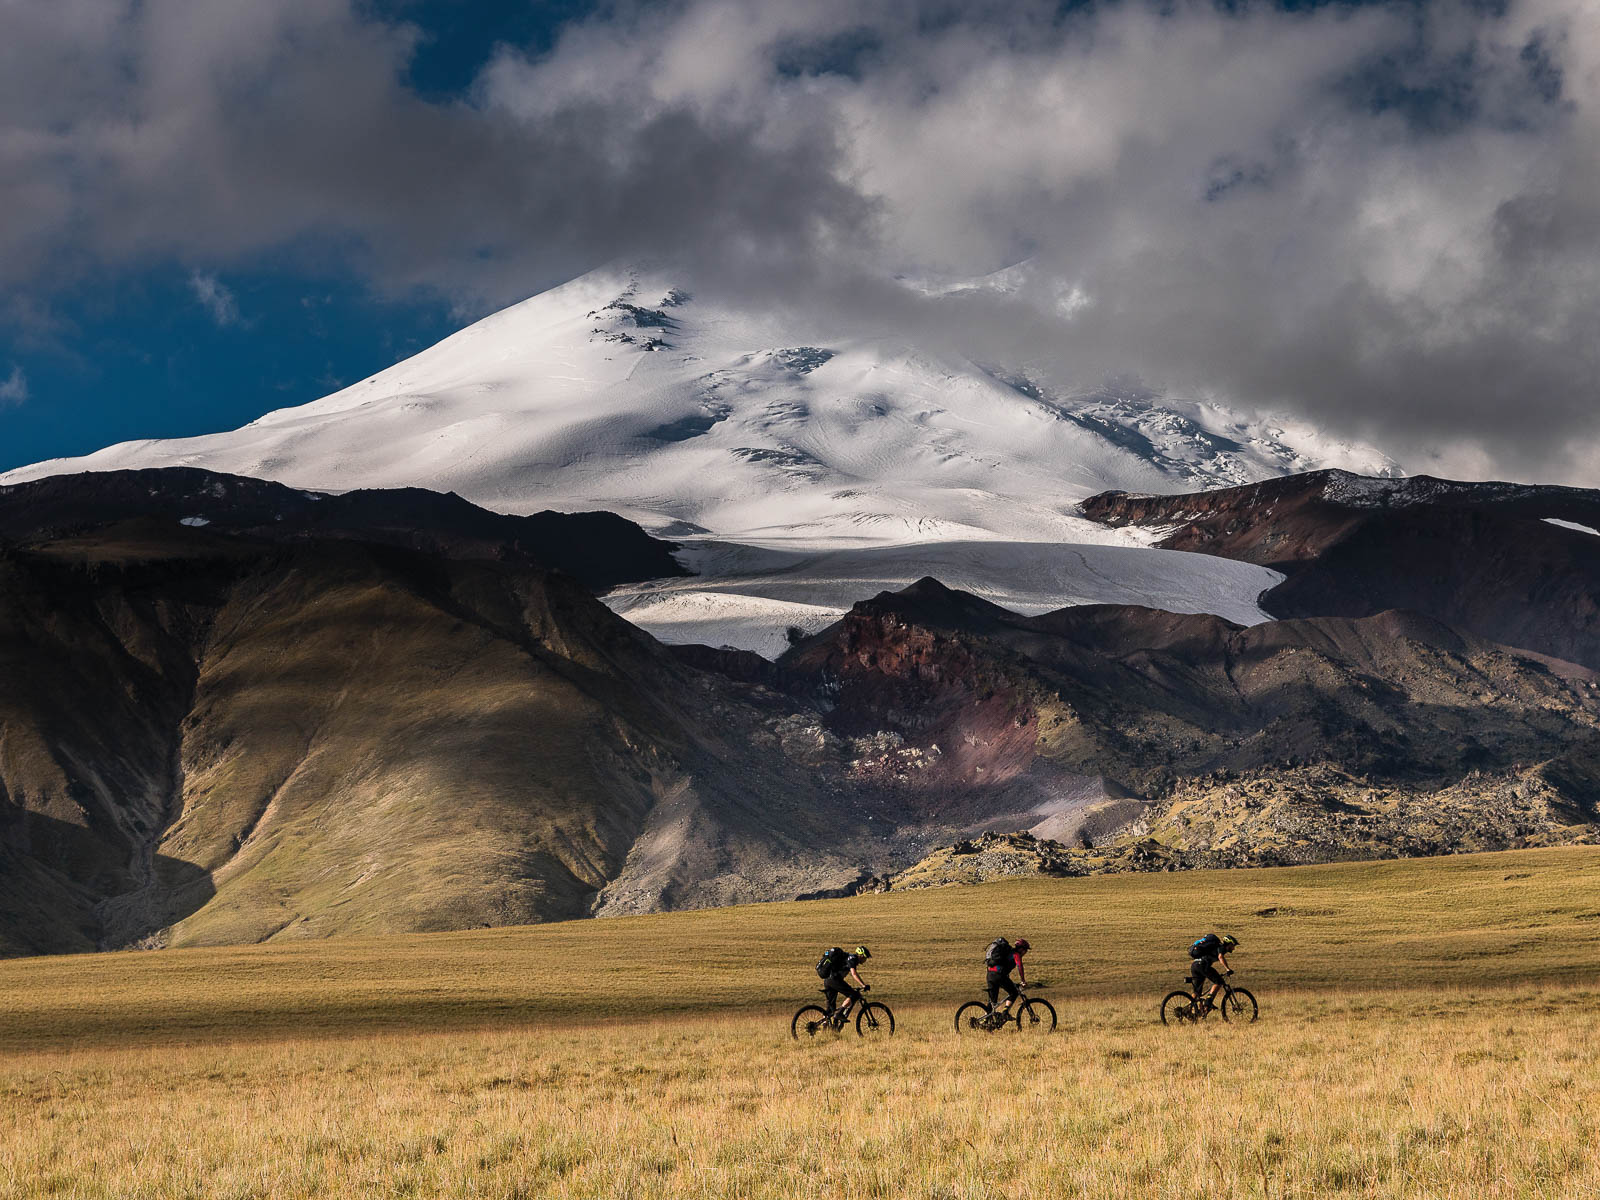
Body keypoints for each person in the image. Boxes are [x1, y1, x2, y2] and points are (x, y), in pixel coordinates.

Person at [816, 945, 871, 1022]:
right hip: (834, 980)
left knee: (830, 1010)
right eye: (865, 957)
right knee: (854, 995)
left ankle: (827, 1029)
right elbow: (854, 973)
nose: (865, 960)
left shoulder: (847, 958)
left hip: (828, 980)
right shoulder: (853, 959)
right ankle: (840, 1013)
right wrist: (863, 985)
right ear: (861, 955)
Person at [1188, 933, 1238, 1010]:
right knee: (1219, 982)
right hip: (1202, 965)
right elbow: (1220, 957)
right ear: (1229, 944)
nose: (1234, 948)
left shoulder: (1213, 948)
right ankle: (1208, 1003)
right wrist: (1228, 969)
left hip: (1195, 965)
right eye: (1233, 945)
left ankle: (1187, 1010)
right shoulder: (1221, 947)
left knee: (1197, 992)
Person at [985, 936, 1030, 1018]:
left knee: (992, 1001)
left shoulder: (1007, 953)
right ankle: (1005, 1012)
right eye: (1025, 950)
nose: (1025, 952)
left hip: (990, 974)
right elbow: (1020, 966)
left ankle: (985, 1021)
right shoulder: (1016, 955)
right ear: (1021, 949)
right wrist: (1023, 980)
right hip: (999, 975)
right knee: (1014, 992)